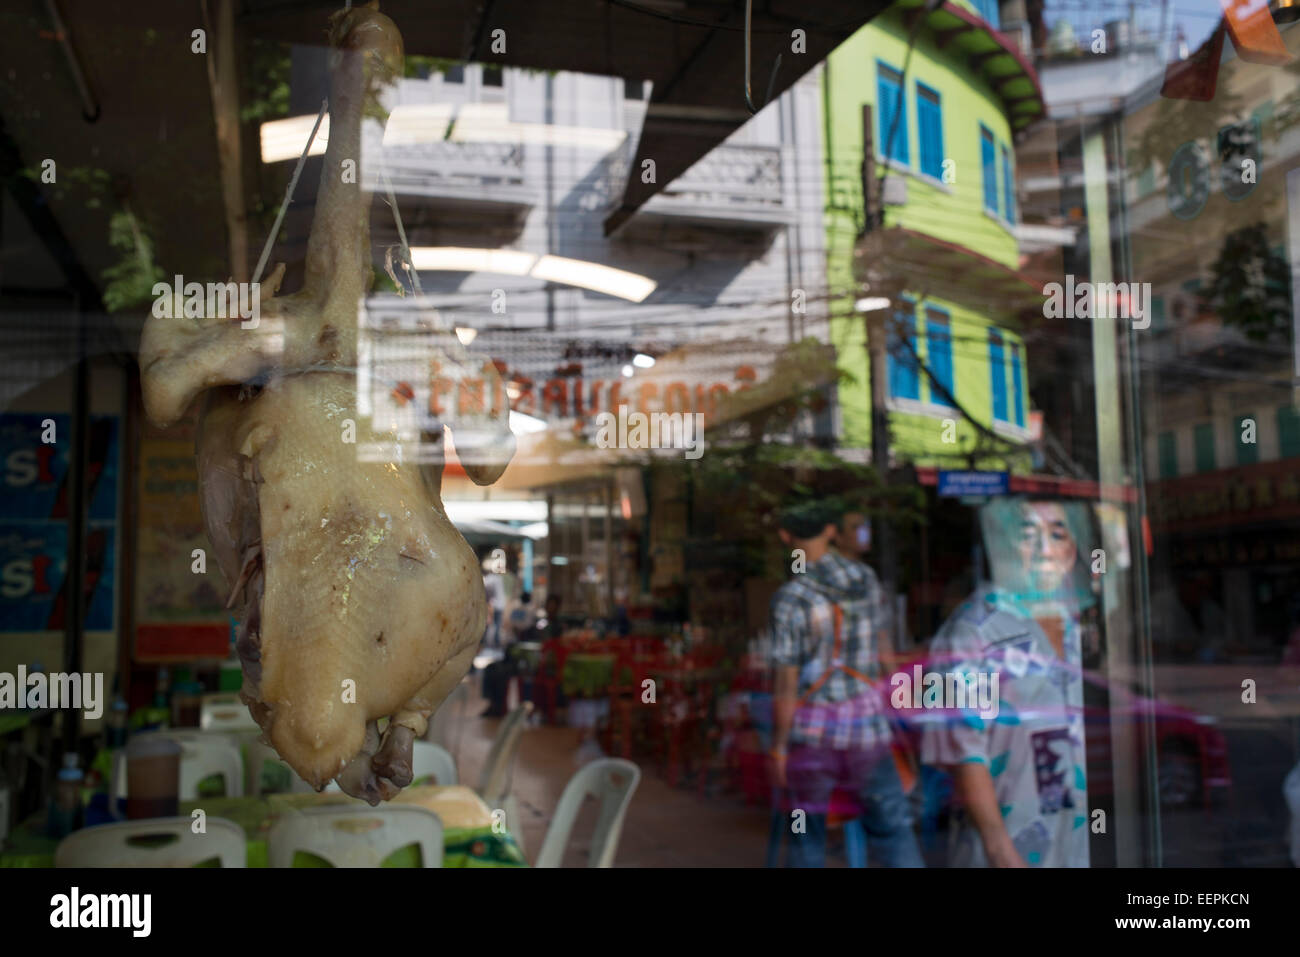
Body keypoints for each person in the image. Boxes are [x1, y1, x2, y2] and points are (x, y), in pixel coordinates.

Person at [921, 497, 1095, 868]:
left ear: (1072, 549)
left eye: (1057, 534)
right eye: (1028, 535)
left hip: (1068, 835)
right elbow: (964, 750)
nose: (1045, 549)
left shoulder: (1068, 620)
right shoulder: (972, 630)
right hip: (1004, 845)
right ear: (1004, 546)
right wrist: (1000, 852)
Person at [767, 497, 924, 868]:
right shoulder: (867, 580)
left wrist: (778, 748)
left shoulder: (791, 598)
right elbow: (886, 656)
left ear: (785, 535)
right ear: (832, 531)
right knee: (892, 831)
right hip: (868, 733)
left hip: (814, 737)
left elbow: (786, 684)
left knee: (808, 837)